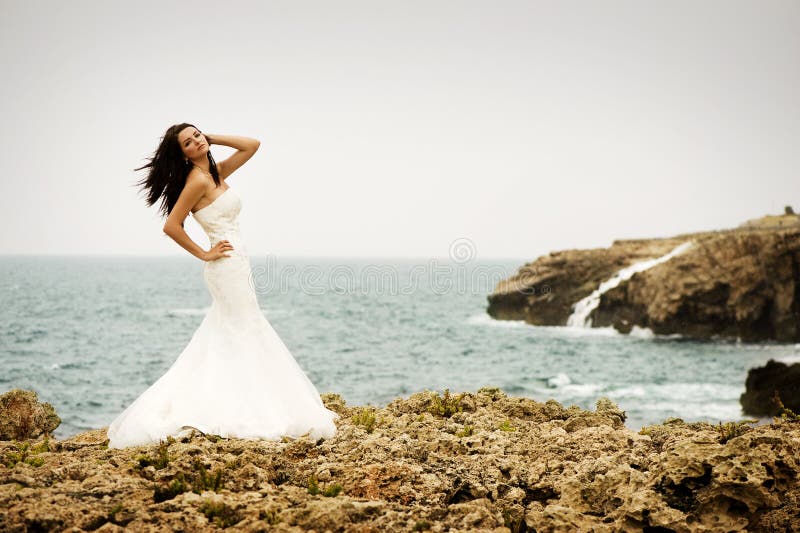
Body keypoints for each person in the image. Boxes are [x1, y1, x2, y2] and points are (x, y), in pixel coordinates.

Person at [106, 123, 338, 448]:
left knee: (235, 330)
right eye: (188, 142)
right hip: (224, 266)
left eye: (197, 135)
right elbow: (172, 226)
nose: (196, 141)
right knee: (245, 329)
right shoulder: (198, 180)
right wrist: (204, 253)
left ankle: (241, 399)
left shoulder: (215, 172)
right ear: (182, 154)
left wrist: (211, 138)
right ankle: (246, 407)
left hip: (238, 264)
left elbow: (252, 144)